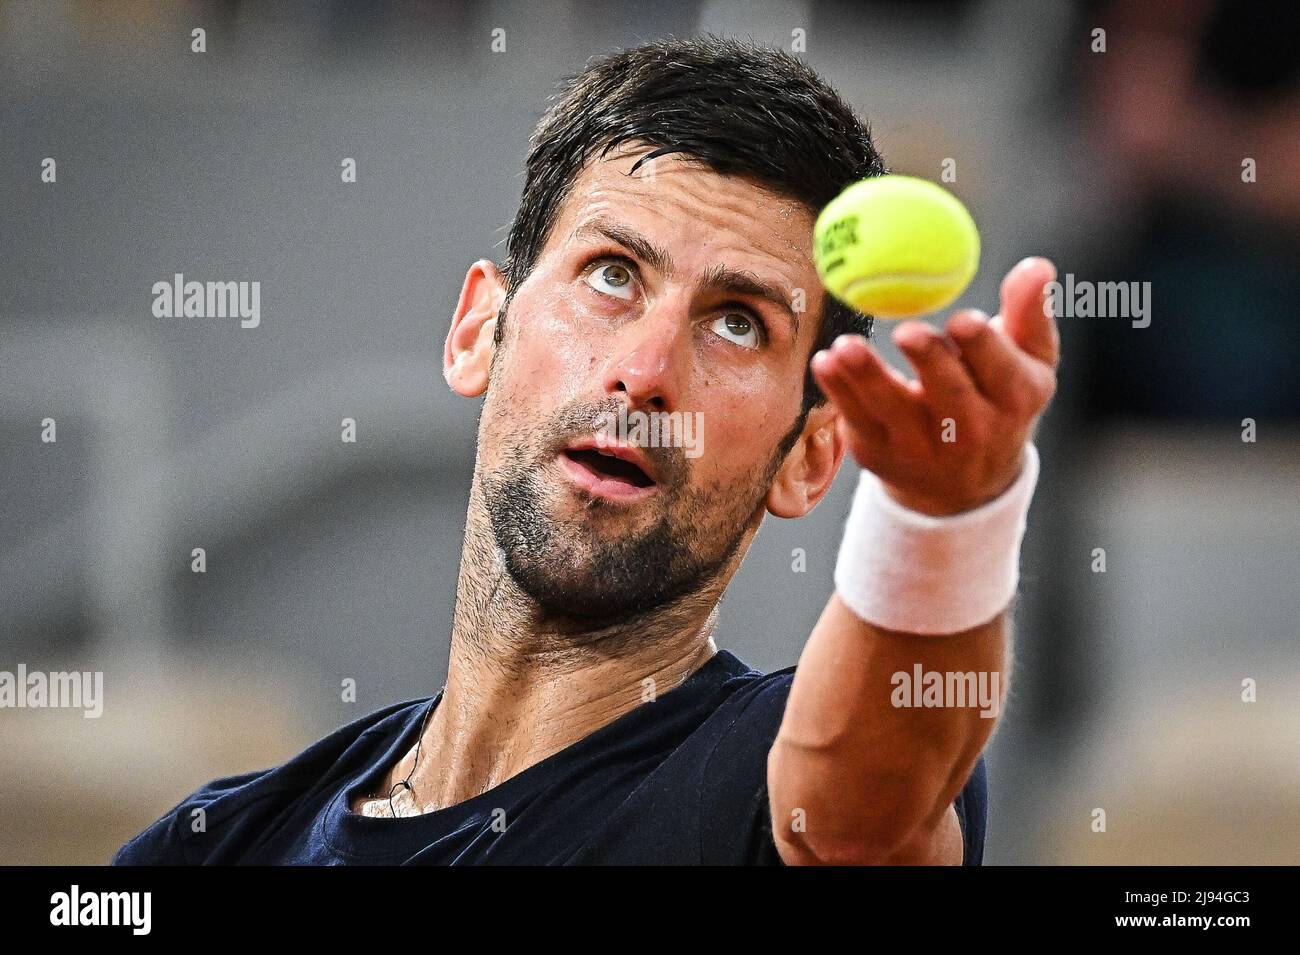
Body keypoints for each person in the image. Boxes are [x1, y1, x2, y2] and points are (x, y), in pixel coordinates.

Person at [114, 35, 1058, 866]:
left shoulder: (764, 785)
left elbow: (854, 831)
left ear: (810, 455)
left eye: (737, 323)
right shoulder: (213, 843)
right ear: (478, 327)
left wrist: (943, 522)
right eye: (613, 274)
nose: (645, 373)